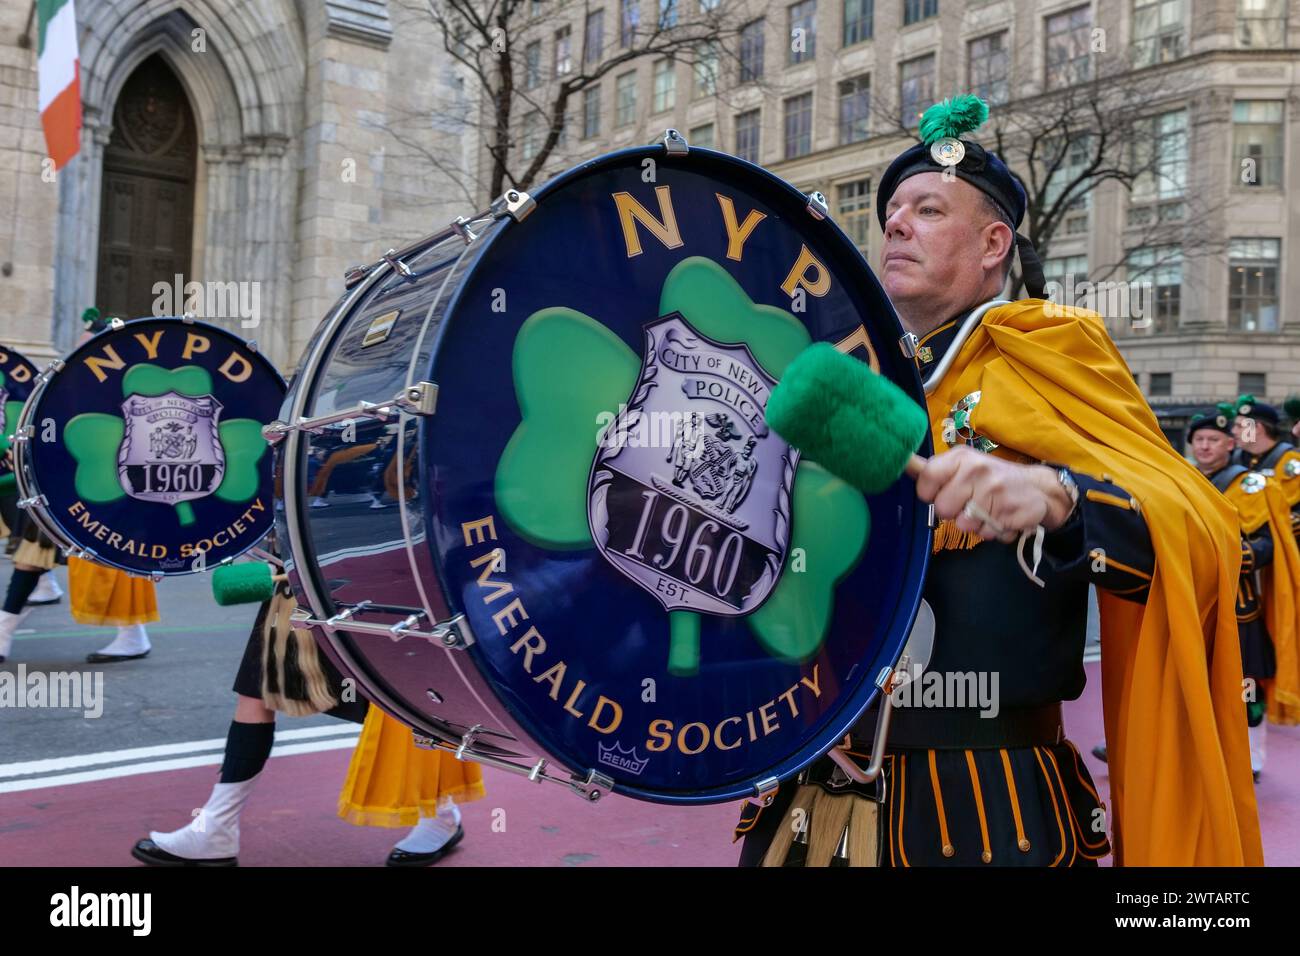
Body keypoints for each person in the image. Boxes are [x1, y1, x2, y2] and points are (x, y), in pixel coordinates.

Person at [736, 94, 1261, 867]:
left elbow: (1203, 535)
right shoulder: (858, 381)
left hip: (985, 807)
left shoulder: (1056, 353)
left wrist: (1060, 499)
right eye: (891, 212)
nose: (895, 224)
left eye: (927, 209)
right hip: (812, 797)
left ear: (992, 244)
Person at [1189, 407, 1299, 779]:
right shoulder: (1181, 481)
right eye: (1199, 440)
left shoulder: (1252, 485)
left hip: (1239, 604)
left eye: (1213, 440)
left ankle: (1250, 755)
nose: (1205, 446)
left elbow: (1270, 543)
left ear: (1229, 444)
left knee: (1245, 683)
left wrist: (1231, 555)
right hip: (1188, 597)